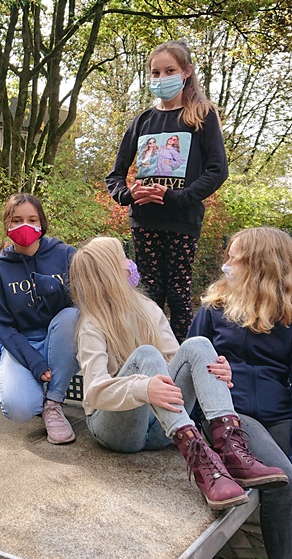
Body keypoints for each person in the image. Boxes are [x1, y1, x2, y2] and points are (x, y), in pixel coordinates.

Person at [71, 237, 286, 509]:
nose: (131, 264)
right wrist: (142, 388)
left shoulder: (147, 309)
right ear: (112, 271)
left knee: (198, 345)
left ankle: (230, 449)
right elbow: (94, 392)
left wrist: (216, 374)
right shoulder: (92, 323)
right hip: (115, 430)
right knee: (147, 354)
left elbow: (179, 362)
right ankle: (200, 464)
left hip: (161, 428)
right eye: (124, 259)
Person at [188, 226, 292, 559]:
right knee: (281, 482)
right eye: (228, 259)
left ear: (261, 266)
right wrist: (215, 376)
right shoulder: (213, 310)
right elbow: (189, 365)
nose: (227, 267)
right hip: (234, 418)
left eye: (235, 261)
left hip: (281, 418)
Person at [105, 40, 228, 341]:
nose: (161, 78)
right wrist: (129, 194)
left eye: (169, 70)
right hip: (145, 220)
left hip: (182, 218)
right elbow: (115, 175)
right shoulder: (143, 121)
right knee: (149, 292)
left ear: (186, 72)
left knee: (178, 291)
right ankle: (150, 352)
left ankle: (183, 356)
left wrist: (178, 196)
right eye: (155, 73)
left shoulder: (202, 115)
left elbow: (217, 170)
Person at [0, 193, 79, 444]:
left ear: (42, 223)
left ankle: (53, 402)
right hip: (23, 344)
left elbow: (82, 305)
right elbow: (4, 329)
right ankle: (38, 398)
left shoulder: (66, 255)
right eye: (17, 220)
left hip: (63, 339)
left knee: (71, 316)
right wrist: (34, 362)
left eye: (31, 219)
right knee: (17, 408)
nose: (24, 225)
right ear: (7, 225)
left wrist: (57, 293)